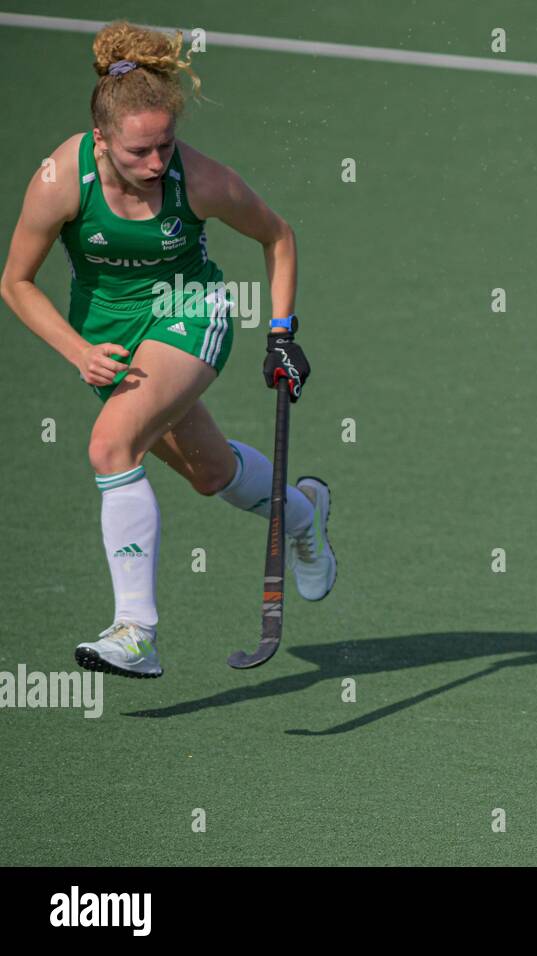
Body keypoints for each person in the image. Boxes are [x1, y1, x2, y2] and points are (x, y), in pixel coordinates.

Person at [0, 21, 337, 678]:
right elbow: (15, 283)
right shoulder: (59, 180)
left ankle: (137, 632)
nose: (157, 164)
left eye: (166, 145)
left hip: (191, 311)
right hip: (105, 337)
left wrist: (280, 333)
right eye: (139, 152)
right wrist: (75, 350)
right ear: (101, 140)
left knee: (109, 446)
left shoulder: (198, 179)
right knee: (211, 476)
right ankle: (305, 513)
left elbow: (278, 236)